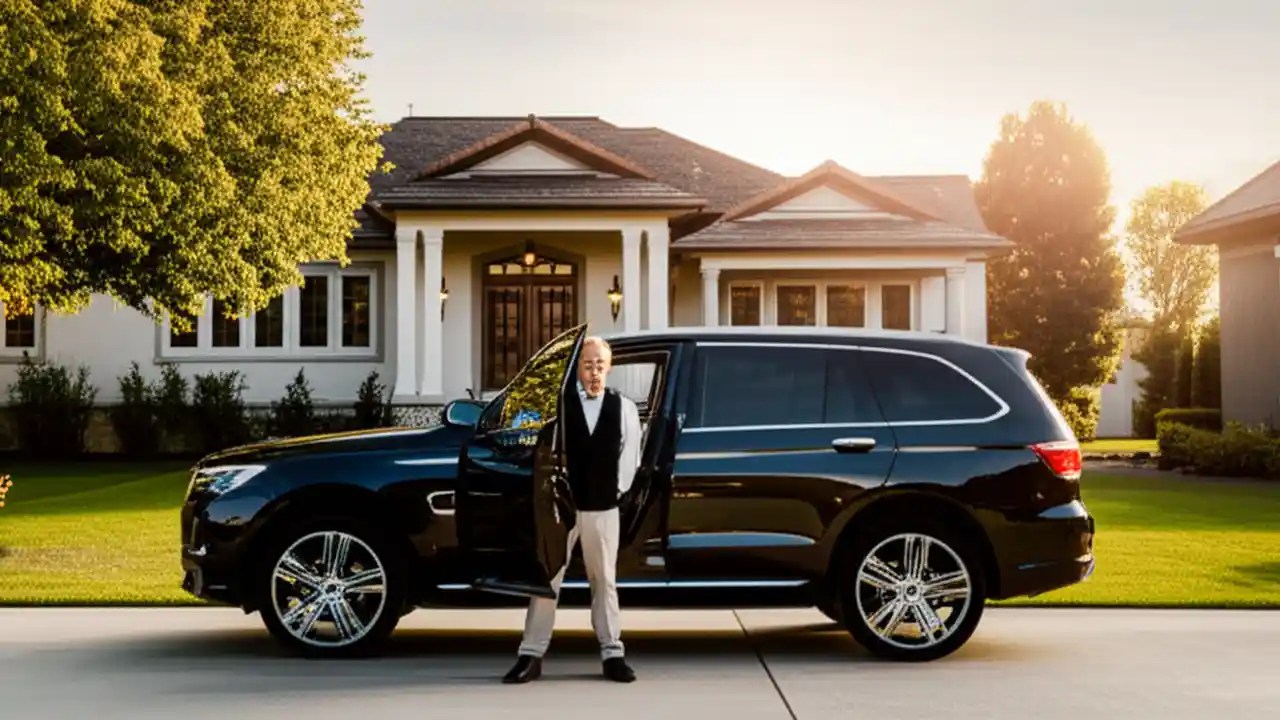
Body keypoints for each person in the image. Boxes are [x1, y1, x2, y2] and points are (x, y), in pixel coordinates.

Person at [502, 335, 642, 684]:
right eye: (587, 364)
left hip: (603, 508)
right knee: (547, 580)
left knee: (605, 581)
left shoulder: (622, 406)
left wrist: (616, 491)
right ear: (577, 368)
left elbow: (631, 454)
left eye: (599, 364)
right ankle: (531, 655)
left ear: (609, 368)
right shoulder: (559, 405)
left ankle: (613, 654)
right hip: (560, 508)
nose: (594, 370)